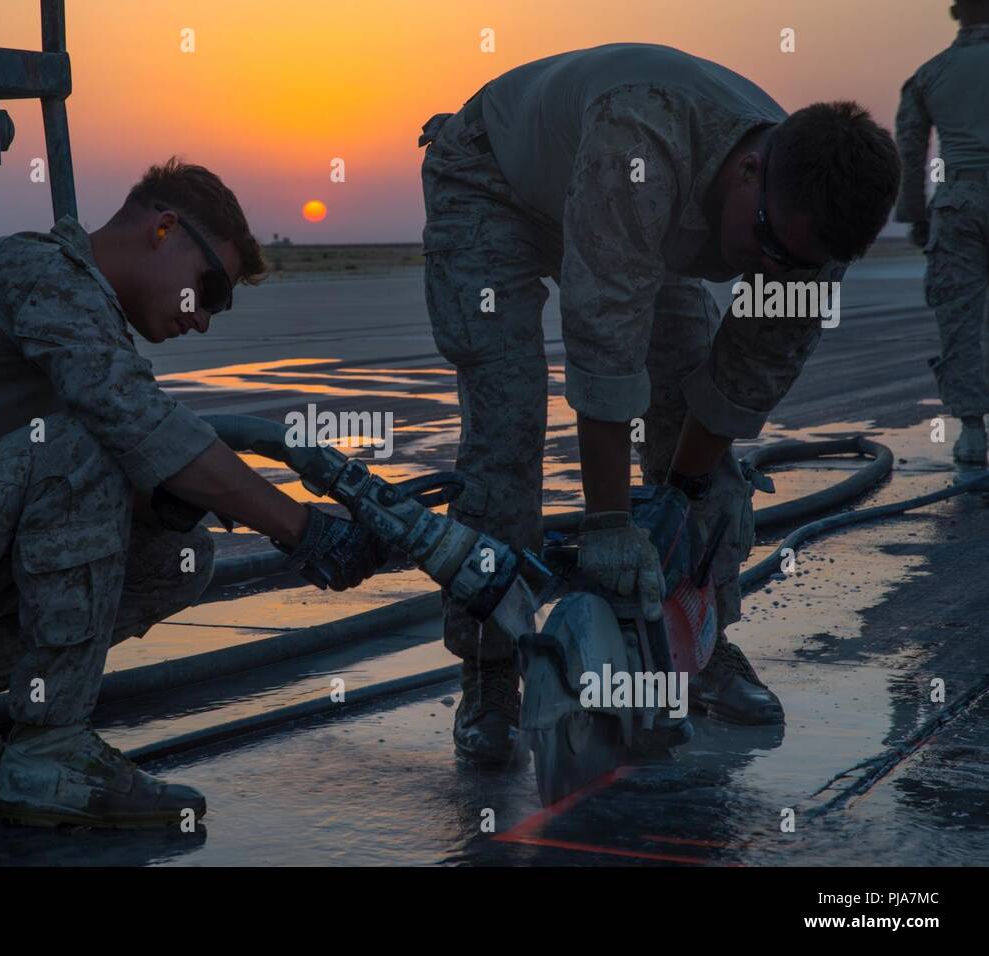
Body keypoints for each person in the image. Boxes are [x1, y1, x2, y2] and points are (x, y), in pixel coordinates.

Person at [0, 159, 387, 827]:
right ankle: (53, 752)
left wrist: (194, 499)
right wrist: (304, 529)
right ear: (165, 229)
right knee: (92, 445)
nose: (207, 319)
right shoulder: (42, 272)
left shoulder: (74, 303)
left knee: (176, 555)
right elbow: (132, 421)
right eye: (210, 289)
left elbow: (138, 451)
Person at [418, 43, 900, 764]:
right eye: (765, 245)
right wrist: (610, 523)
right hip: (495, 184)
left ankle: (696, 646)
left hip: (650, 224)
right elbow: (603, 340)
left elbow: (742, 378)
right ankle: (489, 671)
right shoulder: (639, 141)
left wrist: (679, 497)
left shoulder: (804, 233)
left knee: (699, 454)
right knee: (507, 418)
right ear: (749, 170)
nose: (770, 270)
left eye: (794, 265)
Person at [896, 0, 989, 463]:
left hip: (959, 204)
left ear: (959, 13)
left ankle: (972, 431)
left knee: (959, 324)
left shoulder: (931, 73)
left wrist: (915, 215)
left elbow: (911, 152)